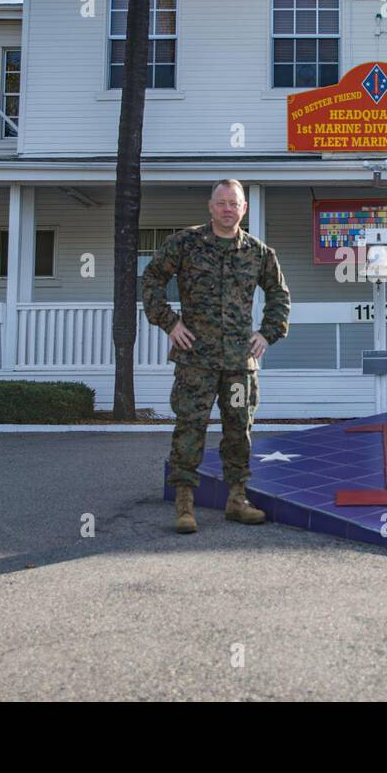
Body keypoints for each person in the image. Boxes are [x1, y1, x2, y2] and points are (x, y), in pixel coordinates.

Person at [140, 179, 290, 534]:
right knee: (190, 429)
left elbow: (279, 295)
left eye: (233, 203)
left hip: (240, 364)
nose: (227, 209)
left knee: (239, 430)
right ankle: (184, 505)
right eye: (221, 202)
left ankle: (237, 500)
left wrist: (267, 333)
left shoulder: (258, 252)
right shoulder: (185, 243)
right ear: (210, 207)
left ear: (243, 209)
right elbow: (151, 279)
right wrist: (169, 322)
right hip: (196, 360)